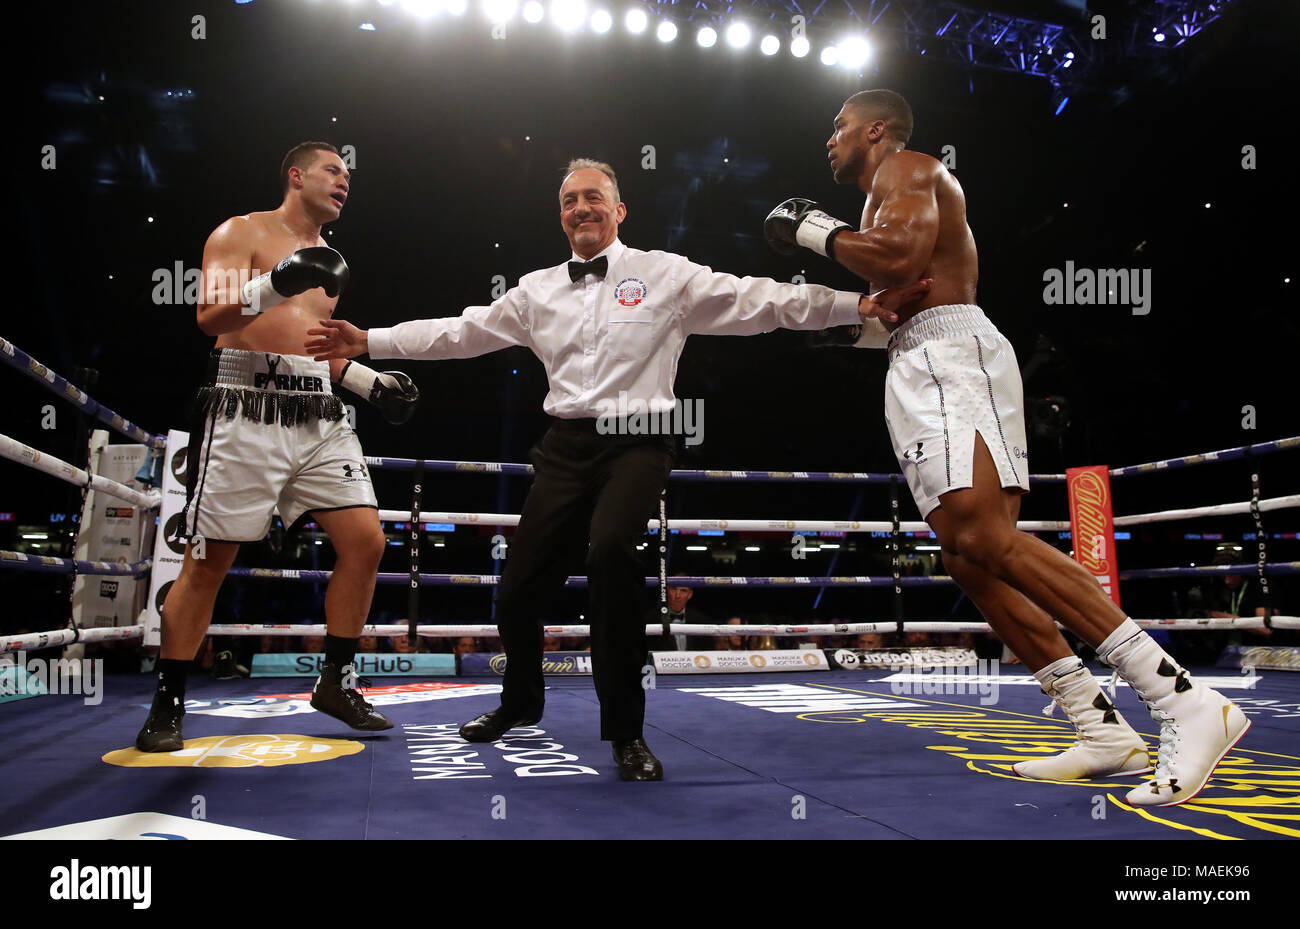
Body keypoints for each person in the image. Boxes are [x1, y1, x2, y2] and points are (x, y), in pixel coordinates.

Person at [307, 158, 926, 781]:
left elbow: (763, 299)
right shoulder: (535, 289)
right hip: (565, 445)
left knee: (610, 555)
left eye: (595, 197)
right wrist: (369, 342)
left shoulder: (666, 274)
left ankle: (626, 732)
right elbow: (462, 332)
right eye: (571, 199)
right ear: (560, 214)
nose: (583, 207)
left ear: (619, 210)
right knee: (517, 589)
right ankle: (520, 701)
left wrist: (857, 305)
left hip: (641, 436)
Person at [767, 89, 1248, 805]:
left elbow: (898, 258)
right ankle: (1101, 727)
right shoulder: (883, 197)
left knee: (988, 536)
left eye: (837, 128)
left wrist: (812, 229)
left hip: (952, 360)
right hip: (918, 362)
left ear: (875, 130)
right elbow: (899, 290)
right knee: (968, 555)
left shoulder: (907, 167)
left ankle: (1182, 697)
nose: (827, 142)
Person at [134, 142, 422, 752]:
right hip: (245, 404)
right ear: (296, 175)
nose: (344, 182)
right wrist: (276, 281)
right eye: (333, 171)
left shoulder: (331, 259)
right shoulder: (240, 232)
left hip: (318, 410)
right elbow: (210, 316)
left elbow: (316, 349)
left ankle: (336, 682)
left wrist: (371, 383)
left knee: (366, 543)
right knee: (210, 561)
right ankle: (169, 702)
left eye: (349, 175)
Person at [644, 584, 711, 651]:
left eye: (683, 591)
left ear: (690, 594)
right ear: (666, 591)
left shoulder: (700, 620)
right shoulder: (651, 619)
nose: (677, 596)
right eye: (673, 589)